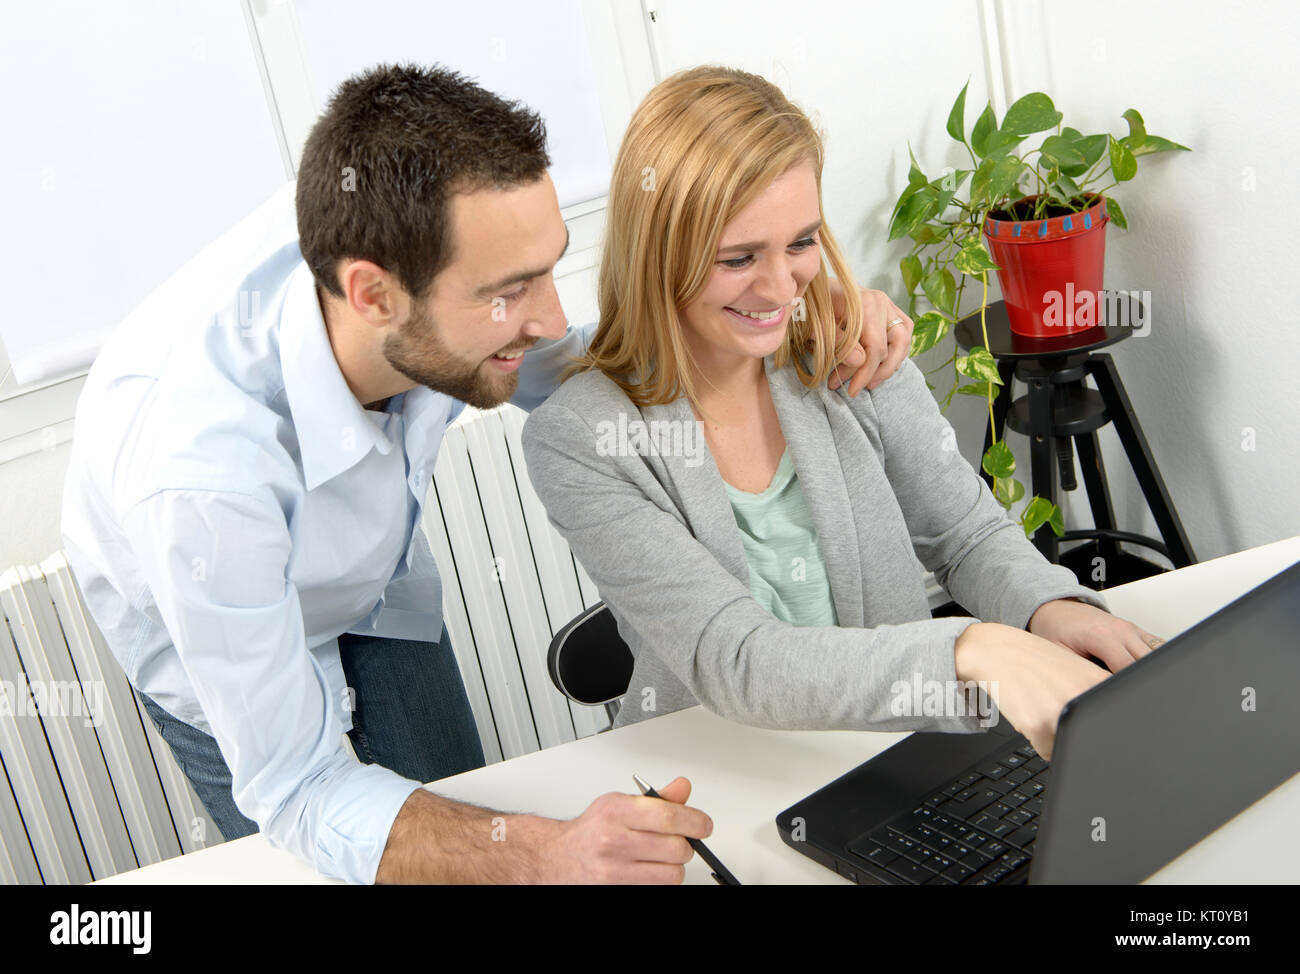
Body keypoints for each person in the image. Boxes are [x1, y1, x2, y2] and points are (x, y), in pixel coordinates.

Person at [60, 63, 910, 885]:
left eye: (549, 269)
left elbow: (588, 368)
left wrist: (800, 317)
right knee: (352, 854)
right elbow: (302, 789)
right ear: (373, 297)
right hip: (211, 603)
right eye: (510, 292)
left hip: (370, 572)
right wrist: (542, 855)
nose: (551, 320)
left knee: (456, 818)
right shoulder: (201, 485)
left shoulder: (400, 220)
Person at [521, 66, 1167, 760]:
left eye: (801, 243)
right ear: (658, 253)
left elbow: (965, 536)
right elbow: (738, 659)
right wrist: (972, 648)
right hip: (721, 779)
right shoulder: (581, 438)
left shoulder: (850, 347)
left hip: (895, 759)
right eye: (739, 257)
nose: (779, 287)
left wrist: (1050, 607)